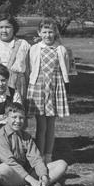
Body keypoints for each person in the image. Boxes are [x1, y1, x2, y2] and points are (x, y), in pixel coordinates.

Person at [27, 18, 74, 167]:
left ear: (55, 33)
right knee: (41, 126)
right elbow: (30, 67)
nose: (48, 35)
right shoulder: (34, 48)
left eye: (51, 32)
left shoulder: (61, 49)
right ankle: (39, 156)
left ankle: (49, 155)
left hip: (55, 87)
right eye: (45, 32)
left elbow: (66, 69)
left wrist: (66, 86)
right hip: (39, 87)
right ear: (39, 33)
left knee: (51, 125)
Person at [0, 102, 68, 186]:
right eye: (14, 117)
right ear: (6, 118)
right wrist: (31, 179)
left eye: (21, 118)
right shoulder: (0, 135)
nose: (18, 121)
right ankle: (45, 185)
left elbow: (36, 158)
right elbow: (9, 161)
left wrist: (44, 176)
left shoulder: (26, 136)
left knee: (62, 164)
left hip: (28, 172)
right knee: (2, 169)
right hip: (13, 173)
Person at [0, 15, 29, 98]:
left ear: (14, 28)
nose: (4, 30)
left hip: (18, 85)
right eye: (1, 27)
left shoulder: (23, 44)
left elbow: (28, 70)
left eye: (8, 27)